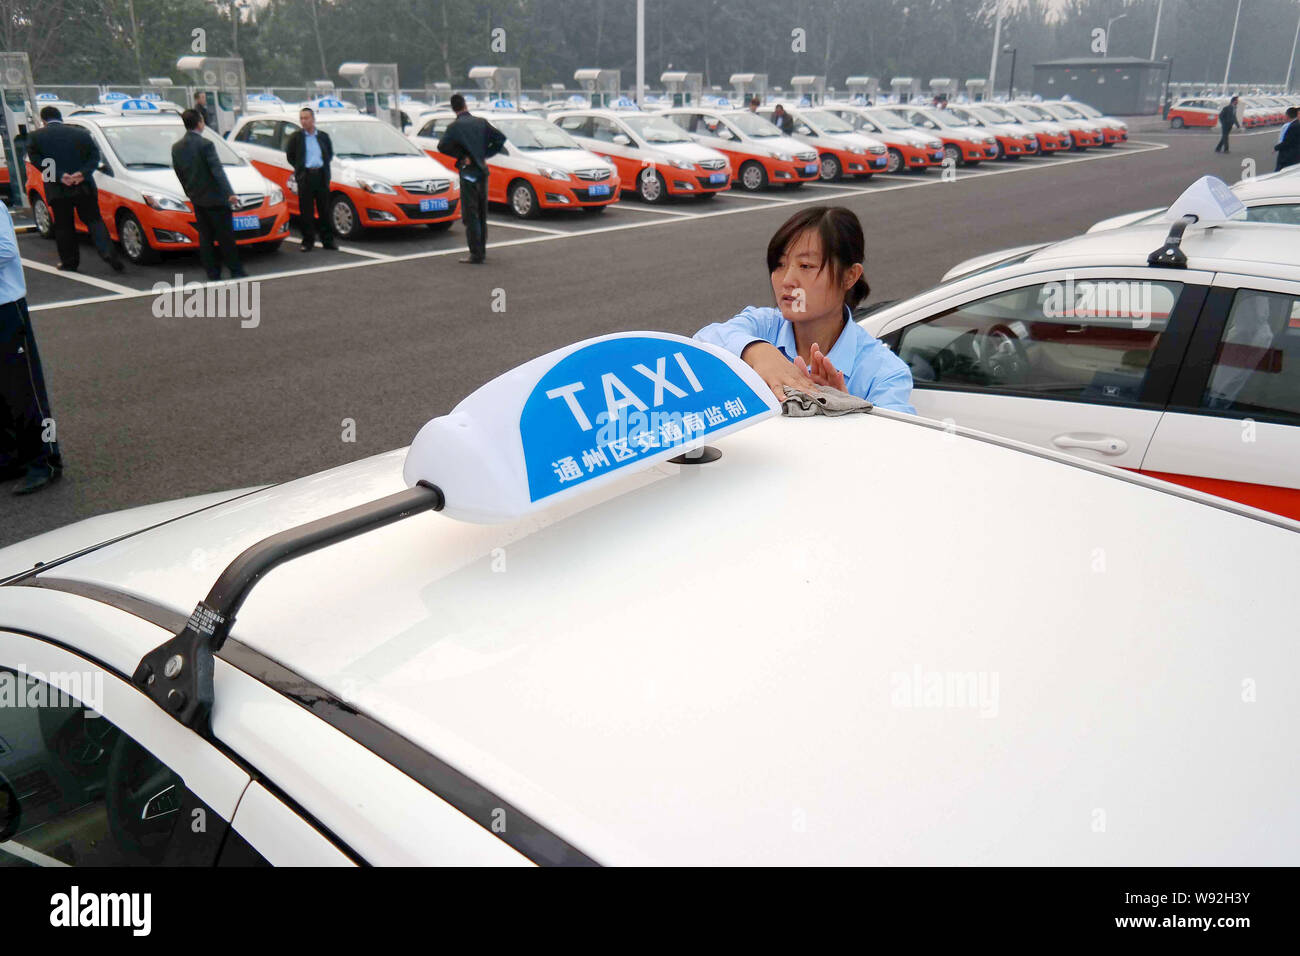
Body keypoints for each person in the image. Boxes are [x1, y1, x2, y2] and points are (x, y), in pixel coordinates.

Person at [695, 205, 915, 413]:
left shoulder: (885, 374)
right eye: (779, 265)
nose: (787, 280)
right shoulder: (763, 326)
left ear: (850, 276)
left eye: (806, 266)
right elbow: (699, 343)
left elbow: (894, 446)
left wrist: (846, 410)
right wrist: (757, 352)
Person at [0, 201, 62, 494]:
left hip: (6, 310)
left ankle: (46, 460)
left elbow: (6, 250)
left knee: (26, 392)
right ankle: (10, 459)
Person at [25, 107, 123, 273]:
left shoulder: (36, 137)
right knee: (94, 220)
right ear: (60, 117)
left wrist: (59, 176)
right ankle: (109, 254)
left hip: (56, 187)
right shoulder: (80, 134)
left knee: (64, 226)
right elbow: (94, 156)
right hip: (83, 185)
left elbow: (37, 161)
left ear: (43, 120)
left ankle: (69, 263)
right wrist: (82, 174)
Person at [172, 109, 244, 280]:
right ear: (199, 123)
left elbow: (179, 172)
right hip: (216, 199)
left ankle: (213, 273)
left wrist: (189, 192)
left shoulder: (177, 147)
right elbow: (217, 170)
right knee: (225, 237)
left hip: (197, 198)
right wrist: (230, 193)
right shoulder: (206, 144)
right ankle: (235, 270)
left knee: (206, 239)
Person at [437, 94, 506, 265]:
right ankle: (482, 249)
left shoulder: (454, 127)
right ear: (465, 105)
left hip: (468, 172)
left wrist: (462, 156)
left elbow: (442, 146)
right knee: (482, 212)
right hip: (482, 171)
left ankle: (475, 254)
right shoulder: (481, 122)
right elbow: (500, 139)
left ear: (453, 108)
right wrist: (483, 154)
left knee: (471, 213)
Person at [284, 107, 336, 252]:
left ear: (313, 119)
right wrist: (300, 168)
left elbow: (329, 154)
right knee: (306, 211)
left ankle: (328, 241)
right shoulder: (297, 137)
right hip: (305, 176)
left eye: (306, 118)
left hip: (321, 175)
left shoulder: (323, 136)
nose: (304, 121)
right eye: (301, 118)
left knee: (324, 209)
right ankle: (308, 241)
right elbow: (291, 156)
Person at [1274, 107, 1299, 171]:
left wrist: (1276, 147)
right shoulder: (1296, 124)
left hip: (1289, 155)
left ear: (1287, 116)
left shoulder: (1290, 126)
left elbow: (1287, 141)